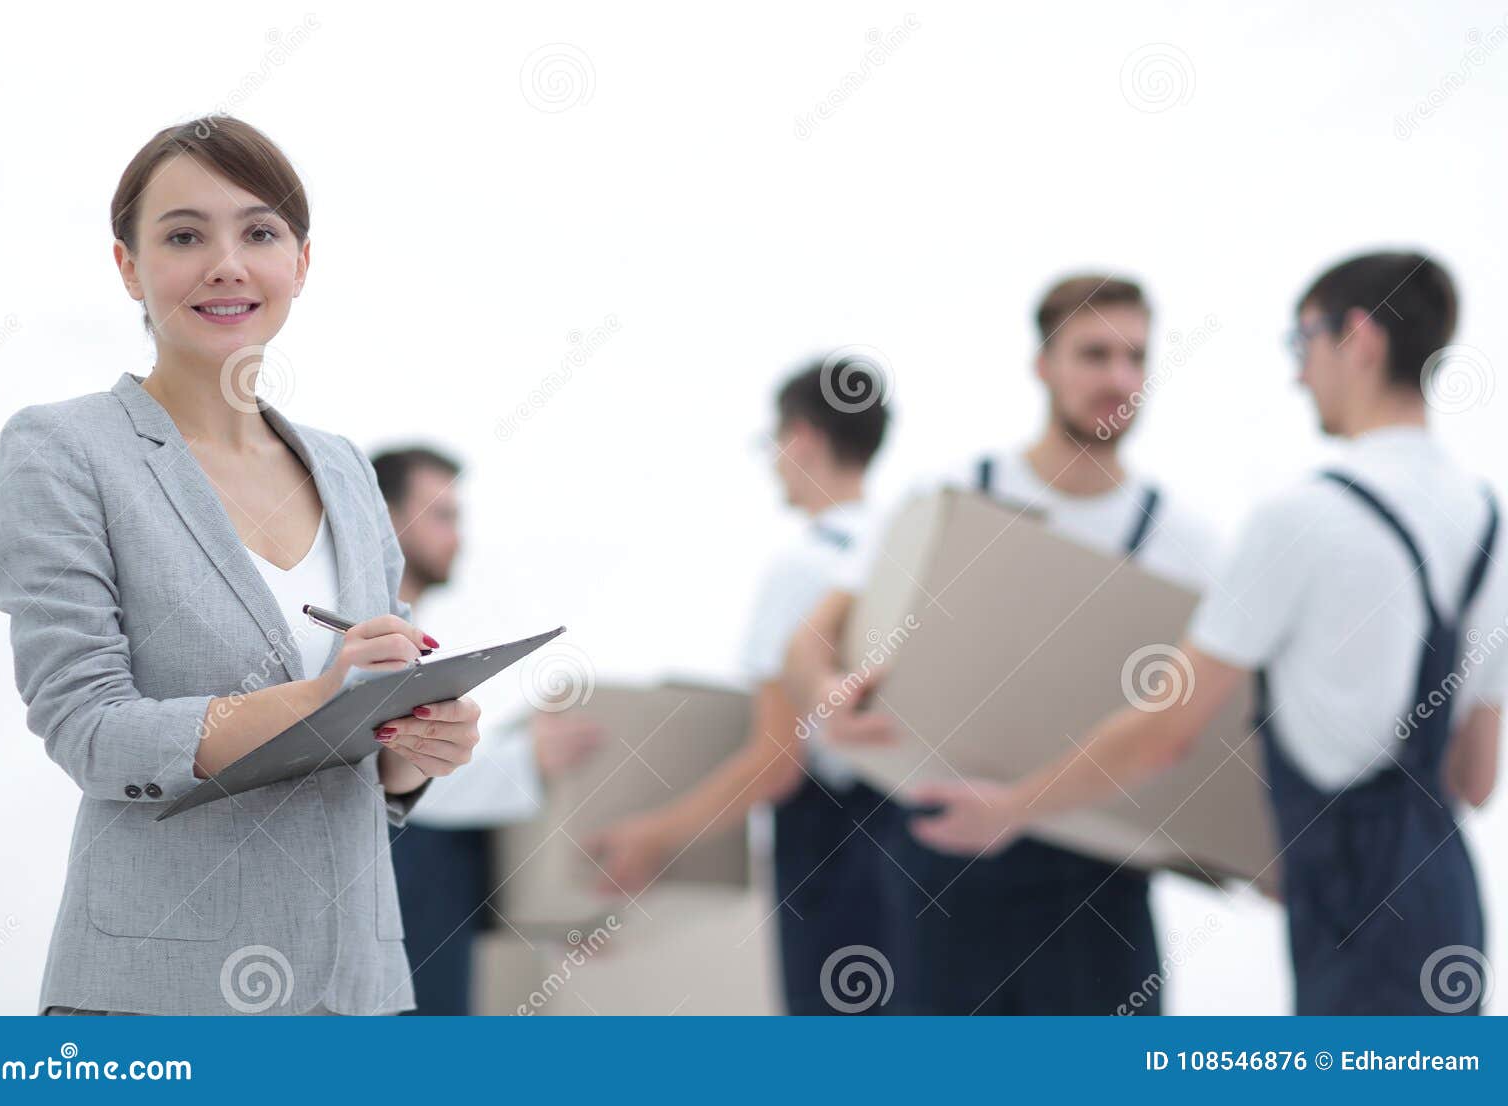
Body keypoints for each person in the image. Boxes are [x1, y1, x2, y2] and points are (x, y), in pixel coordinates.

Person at [898, 252, 1506, 1015]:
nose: (1298, 373)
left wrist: (1010, 807)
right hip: (1444, 905)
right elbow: (1475, 778)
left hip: (1342, 907)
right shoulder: (1485, 520)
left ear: (1357, 339)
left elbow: (1165, 733)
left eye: (1303, 342)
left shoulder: (1301, 518)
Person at [0, 118, 480, 1016]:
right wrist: (321, 699)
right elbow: (89, 731)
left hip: (361, 992)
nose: (227, 264)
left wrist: (414, 751)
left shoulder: (346, 469)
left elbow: (363, 765)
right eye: (182, 235)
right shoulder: (64, 451)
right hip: (161, 998)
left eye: (259, 232)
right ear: (129, 267)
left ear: (302, 261)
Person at [786, 276, 1221, 1014]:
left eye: (1135, 358)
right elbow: (812, 638)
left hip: (1100, 885)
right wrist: (829, 697)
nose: (1117, 379)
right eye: (1094, 354)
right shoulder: (956, 493)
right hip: (939, 870)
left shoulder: (1186, 543)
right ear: (1043, 365)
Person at [585, 357, 903, 1015]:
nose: (775, 462)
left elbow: (777, 762)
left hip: (835, 853)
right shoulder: (901, 551)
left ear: (804, 440)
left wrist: (655, 836)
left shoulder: (802, 566)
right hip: (918, 848)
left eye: (775, 443)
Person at [372, 446, 604, 1014]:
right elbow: (380, 778)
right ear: (386, 518)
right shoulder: (358, 636)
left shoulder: (407, 634)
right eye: (442, 516)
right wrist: (527, 761)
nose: (459, 538)